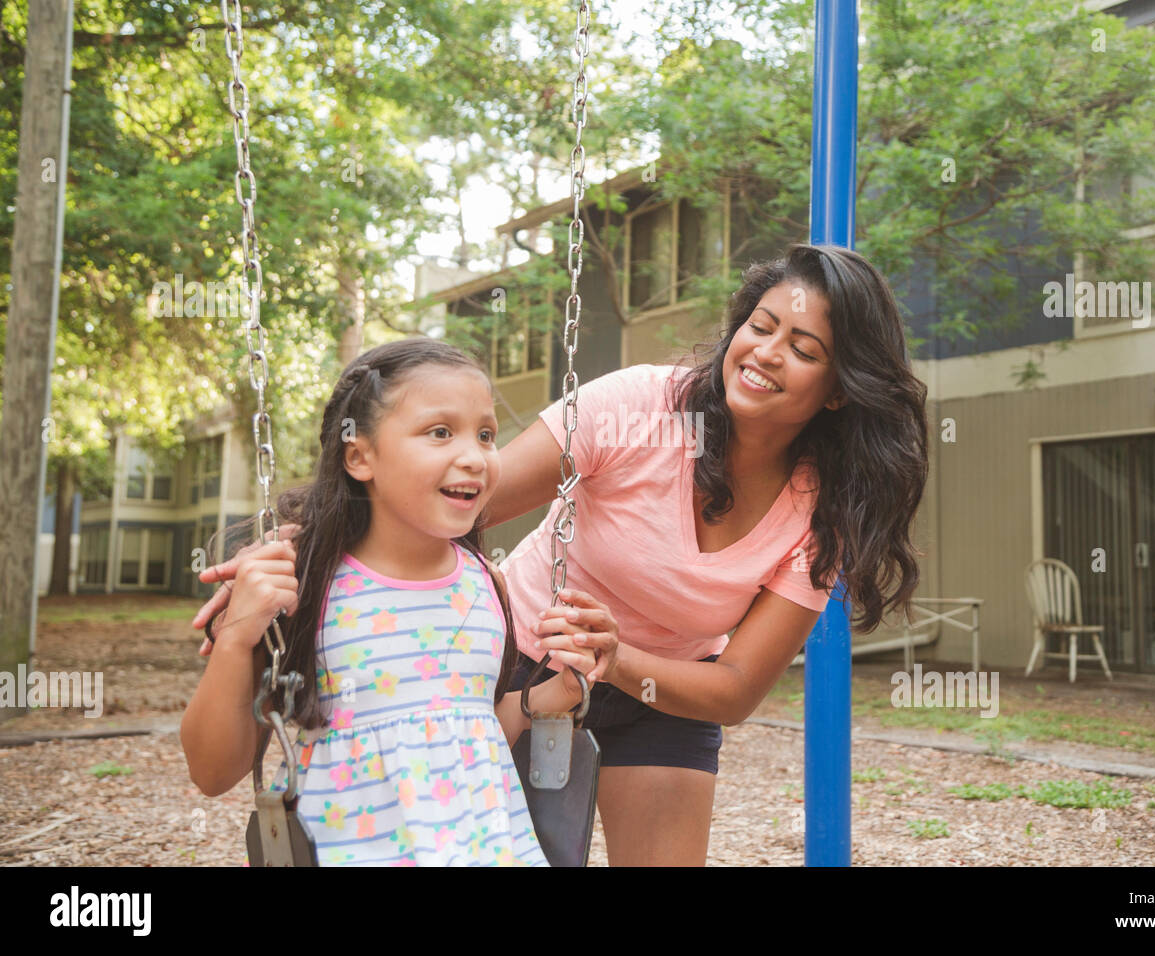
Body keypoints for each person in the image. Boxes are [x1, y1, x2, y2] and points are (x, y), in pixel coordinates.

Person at [195, 243, 929, 867]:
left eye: (803, 350)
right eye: (761, 327)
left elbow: (736, 688)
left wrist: (614, 661)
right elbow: (461, 498)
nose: (768, 353)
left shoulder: (823, 508)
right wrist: (304, 549)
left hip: (667, 690)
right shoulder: (641, 406)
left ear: (839, 390)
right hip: (522, 650)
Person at [179, 338, 598, 866]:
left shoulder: (485, 582)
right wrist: (238, 636)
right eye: (440, 432)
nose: (473, 456)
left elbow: (477, 725)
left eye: (486, 434)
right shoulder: (303, 584)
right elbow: (212, 772)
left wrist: (559, 690)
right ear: (360, 455)